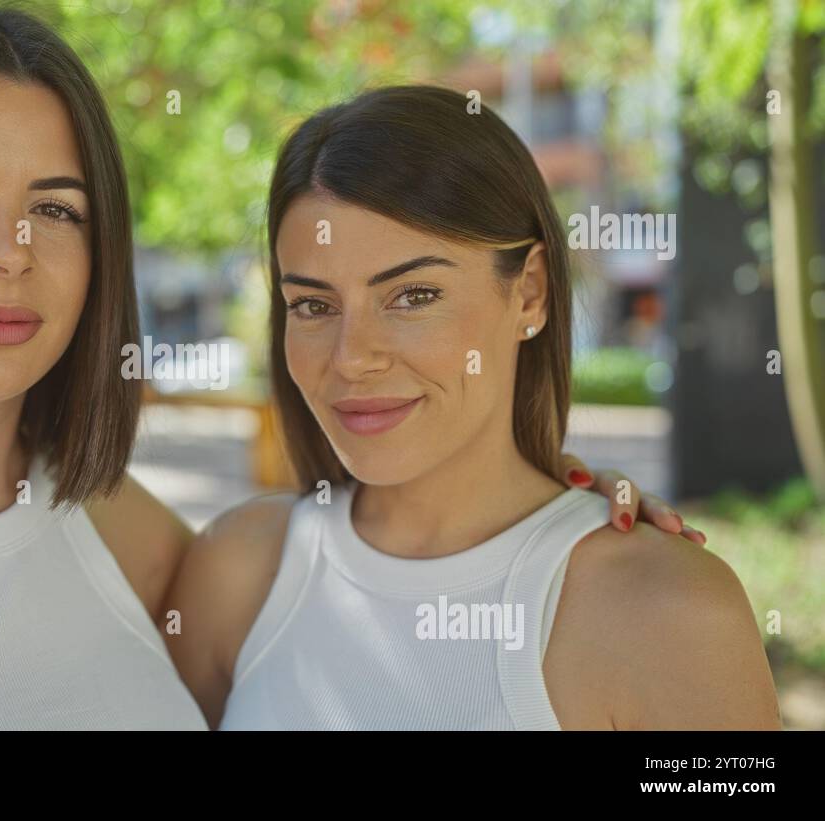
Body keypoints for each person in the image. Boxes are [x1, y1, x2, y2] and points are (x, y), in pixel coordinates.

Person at [0, 8, 692, 730]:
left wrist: (553, 503)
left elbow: (396, 594)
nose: (10, 248)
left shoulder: (116, 527)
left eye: (55, 207)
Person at [164, 86, 779, 731]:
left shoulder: (670, 611)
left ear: (531, 293)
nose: (352, 358)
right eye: (314, 305)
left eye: (414, 295)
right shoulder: (235, 572)